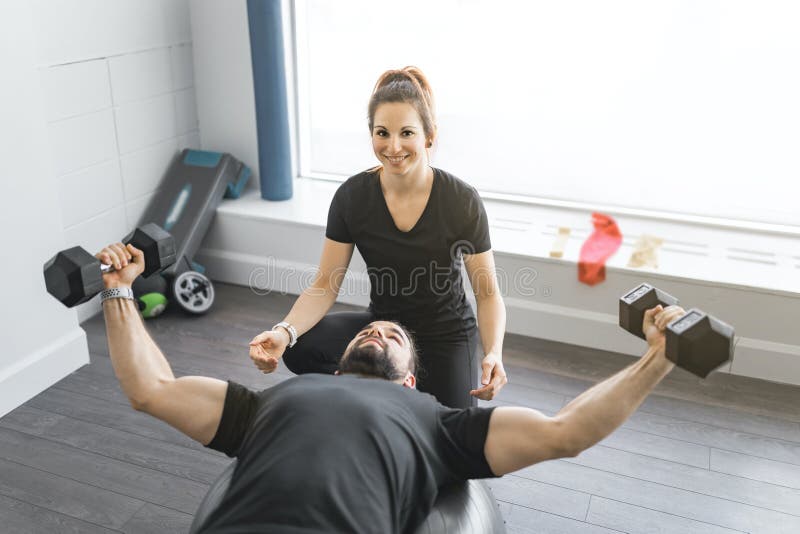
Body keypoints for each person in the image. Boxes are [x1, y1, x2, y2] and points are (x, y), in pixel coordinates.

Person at [96, 242, 684, 534]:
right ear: (336, 367)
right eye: (369, 329)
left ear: (410, 379)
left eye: (394, 334)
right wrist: (119, 289)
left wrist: (658, 358)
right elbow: (151, 388)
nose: (377, 329)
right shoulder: (264, 405)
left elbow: (565, 433)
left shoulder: (438, 424)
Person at [248, 66, 508, 409]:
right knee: (299, 348)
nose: (393, 146)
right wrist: (283, 331)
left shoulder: (461, 200)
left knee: (452, 427)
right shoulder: (352, 197)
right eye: (382, 133)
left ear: (429, 136)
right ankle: (381, 394)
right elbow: (324, 285)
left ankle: (389, 393)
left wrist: (493, 353)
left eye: (407, 133)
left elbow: (487, 294)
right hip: (383, 329)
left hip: (445, 336)